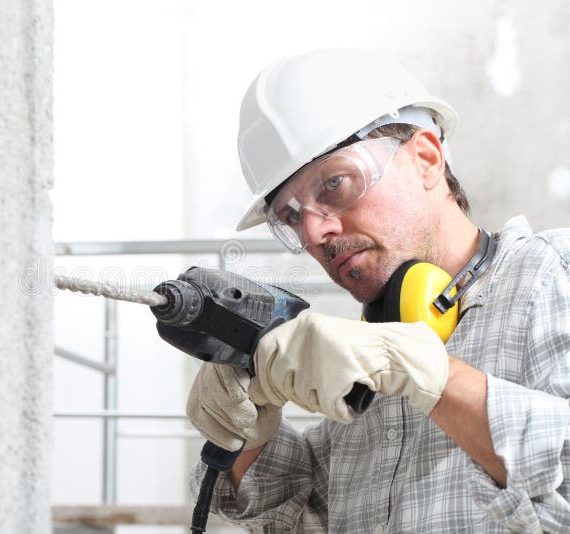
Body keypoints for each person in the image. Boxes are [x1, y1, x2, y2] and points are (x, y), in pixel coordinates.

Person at [186, 48, 570, 532]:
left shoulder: (551, 276)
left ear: (427, 159)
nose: (316, 232)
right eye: (291, 216)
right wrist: (246, 424)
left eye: (335, 183)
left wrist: (434, 378)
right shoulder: (364, 366)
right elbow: (293, 513)